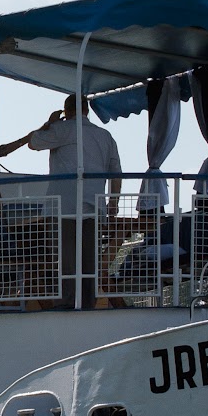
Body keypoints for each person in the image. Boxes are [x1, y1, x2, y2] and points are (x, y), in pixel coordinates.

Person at [27, 95, 122, 308]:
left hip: (64, 207)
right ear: (86, 110)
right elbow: (116, 172)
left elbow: (33, 143)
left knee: (66, 262)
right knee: (90, 263)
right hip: (95, 206)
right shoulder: (105, 136)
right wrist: (113, 203)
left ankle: (68, 304)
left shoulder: (63, 129)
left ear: (66, 110)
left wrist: (49, 123)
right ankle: (88, 304)